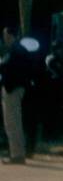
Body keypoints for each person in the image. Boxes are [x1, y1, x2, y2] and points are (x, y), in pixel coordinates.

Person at [0, 26, 29, 164]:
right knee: (13, 122)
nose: (4, 38)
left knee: (13, 123)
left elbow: (9, 68)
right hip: (15, 88)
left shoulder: (15, 50)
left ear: (11, 35)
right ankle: (17, 153)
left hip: (12, 89)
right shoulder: (19, 49)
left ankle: (17, 155)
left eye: (5, 35)